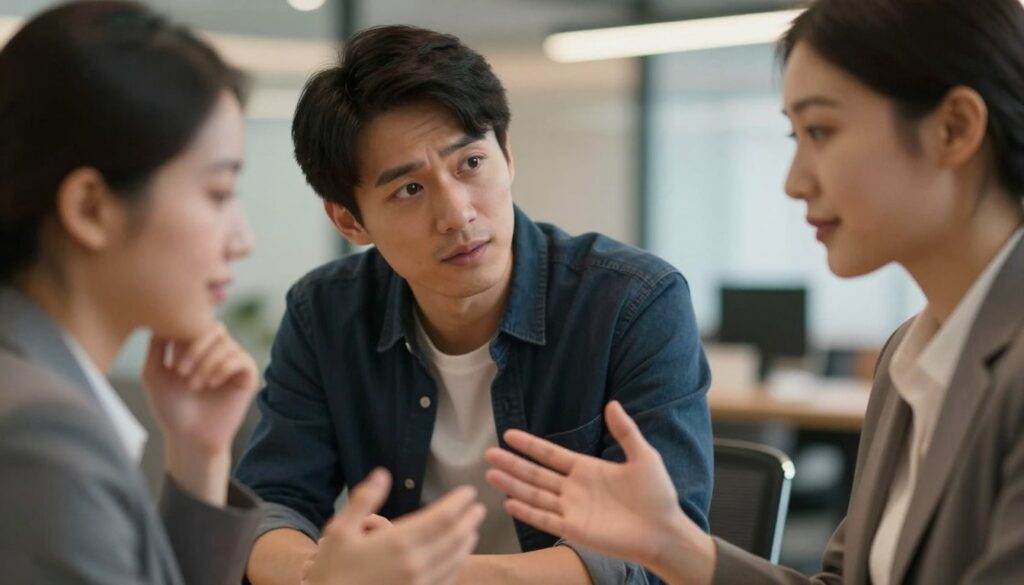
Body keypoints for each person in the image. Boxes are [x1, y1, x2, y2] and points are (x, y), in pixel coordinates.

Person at [484, 0, 1024, 584]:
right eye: (795, 136)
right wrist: (673, 544)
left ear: (955, 128)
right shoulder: (909, 357)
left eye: (821, 131)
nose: (794, 182)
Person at [0, 3, 483, 585]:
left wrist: (198, 456)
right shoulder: (39, 434)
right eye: (217, 192)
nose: (242, 240)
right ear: (90, 209)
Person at [233, 24, 714, 585]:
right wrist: (321, 575)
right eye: (409, 189)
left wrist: (434, 577)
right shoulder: (324, 313)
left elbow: (659, 551)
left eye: (471, 164)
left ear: (507, 155)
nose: (457, 213)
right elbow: (270, 505)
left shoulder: (632, 303)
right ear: (349, 219)